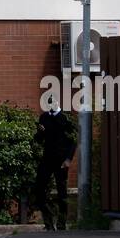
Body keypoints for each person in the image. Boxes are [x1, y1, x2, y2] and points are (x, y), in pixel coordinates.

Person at [33, 98, 76, 230]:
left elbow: (73, 141)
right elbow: (38, 140)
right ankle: (49, 221)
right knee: (39, 189)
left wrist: (68, 159)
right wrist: (40, 132)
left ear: (58, 103)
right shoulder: (44, 117)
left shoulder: (65, 119)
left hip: (61, 161)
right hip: (47, 159)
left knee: (62, 192)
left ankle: (62, 223)